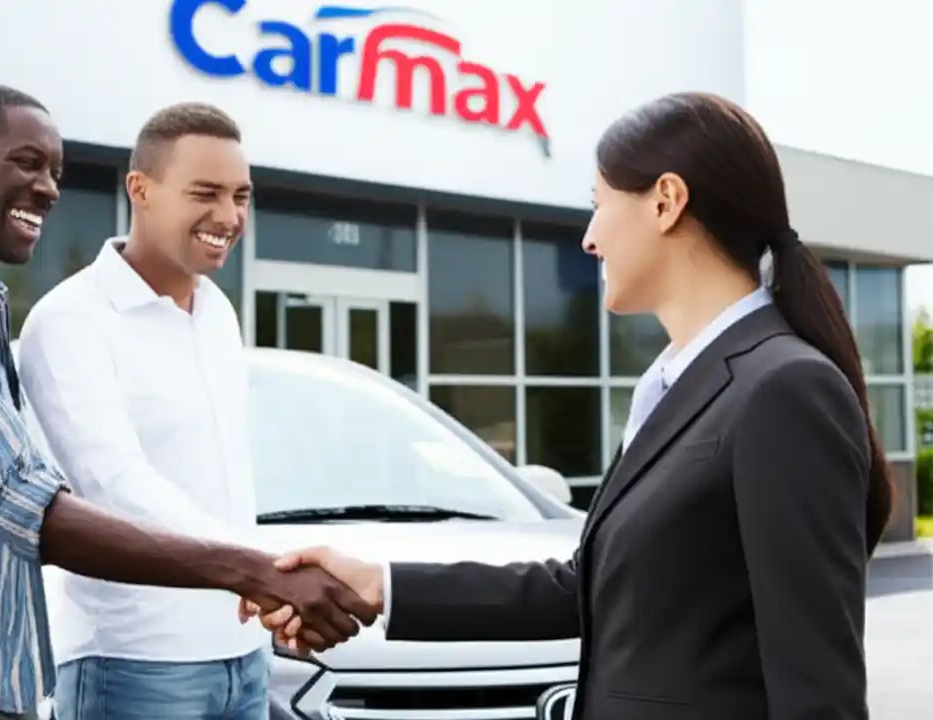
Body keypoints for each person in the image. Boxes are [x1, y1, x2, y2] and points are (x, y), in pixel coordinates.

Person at [244, 91, 891, 720]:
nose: (589, 238)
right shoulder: (673, 387)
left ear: (666, 201)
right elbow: (578, 589)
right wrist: (378, 582)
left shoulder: (784, 390)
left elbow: (819, 691)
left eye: (598, 204)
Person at [0, 82, 376, 720]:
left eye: (55, 171)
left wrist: (260, 580)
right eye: (27, 163)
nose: (48, 188)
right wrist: (263, 573)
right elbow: (33, 502)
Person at [16, 102, 267, 719]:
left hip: (246, 653)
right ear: (141, 190)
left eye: (241, 195)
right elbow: (115, 486)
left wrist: (261, 579)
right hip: (134, 663)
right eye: (205, 193)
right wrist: (261, 570)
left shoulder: (217, 311)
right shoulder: (71, 321)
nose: (229, 216)